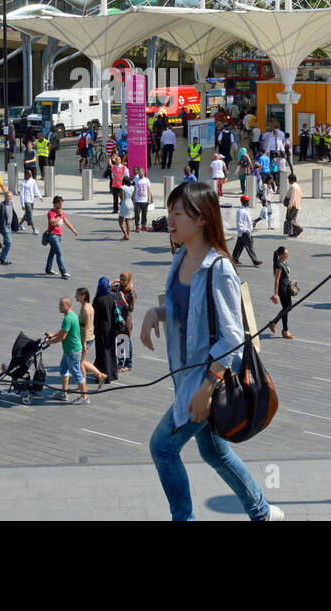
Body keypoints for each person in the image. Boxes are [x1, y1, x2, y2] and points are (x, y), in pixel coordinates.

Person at [138, 181, 283, 521]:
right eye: (169, 212)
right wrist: (155, 313)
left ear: (201, 218)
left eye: (177, 214)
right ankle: (261, 512)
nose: (169, 220)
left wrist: (206, 388)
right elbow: (185, 310)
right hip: (186, 373)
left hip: (205, 380)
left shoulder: (219, 269)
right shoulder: (180, 258)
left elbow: (232, 336)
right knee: (216, 453)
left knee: (162, 448)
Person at [45, 296, 89, 404]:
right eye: (59, 304)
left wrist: (50, 342)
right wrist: (53, 334)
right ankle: (63, 394)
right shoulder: (71, 315)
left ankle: (85, 397)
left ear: (68, 306)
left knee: (77, 373)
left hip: (73, 351)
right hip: (69, 350)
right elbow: (63, 331)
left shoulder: (68, 318)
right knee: (64, 369)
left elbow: (62, 337)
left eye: (61, 305)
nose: (59, 307)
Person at [75, 287, 108, 387]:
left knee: (80, 363)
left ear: (83, 296)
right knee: (81, 361)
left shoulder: (86, 308)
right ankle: (99, 375)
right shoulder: (86, 306)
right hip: (86, 338)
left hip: (86, 339)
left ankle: (83, 385)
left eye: (77, 294)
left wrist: (84, 342)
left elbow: (88, 327)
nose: (75, 296)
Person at [91, 278, 120, 384]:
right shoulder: (112, 297)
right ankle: (113, 374)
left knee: (102, 352)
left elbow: (93, 315)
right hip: (111, 328)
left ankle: (104, 375)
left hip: (100, 330)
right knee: (111, 350)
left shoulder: (98, 299)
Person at [44, 195, 77, 280]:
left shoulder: (61, 212)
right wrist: (59, 216)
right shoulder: (51, 213)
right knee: (59, 252)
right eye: (59, 204)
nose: (61, 205)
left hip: (59, 236)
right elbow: (53, 222)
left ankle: (48, 269)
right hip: (52, 236)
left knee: (52, 252)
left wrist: (73, 230)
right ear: (55, 204)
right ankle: (63, 272)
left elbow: (66, 222)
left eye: (62, 203)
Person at [268, 246, 294, 338]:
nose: (287, 255)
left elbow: (285, 274)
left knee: (287, 308)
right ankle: (283, 329)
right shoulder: (278, 265)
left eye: (287, 253)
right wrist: (276, 293)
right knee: (287, 308)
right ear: (280, 255)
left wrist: (289, 280)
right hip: (282, 289)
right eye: (285, 254)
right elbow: (277, 279)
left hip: (286, 287)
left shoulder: (283, 262)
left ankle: (279, 327)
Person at [231, 194, 263, 267]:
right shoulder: (240, 211)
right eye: (247, 201)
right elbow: (239, 222)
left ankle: (234, 259)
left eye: (248, 200)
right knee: (249, 246)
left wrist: (253, 224)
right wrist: (245, 231)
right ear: (243, 202)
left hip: (246, 231)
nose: (248, 202)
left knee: (239, 246)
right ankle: (255, 261)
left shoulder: (247, 210)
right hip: (244, 232)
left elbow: (248, 221)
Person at [19, 167, 42, 233]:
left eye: (31, 174)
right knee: (30, 215)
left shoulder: (33, 181)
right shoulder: (23, 183)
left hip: (32, 200)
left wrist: (40, 196)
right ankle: (34, 229)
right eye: (29, 174)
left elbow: (36, 189)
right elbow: (22, 194)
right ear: (26, 175)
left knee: (27, 214)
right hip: (26, 201)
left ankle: (20, 224)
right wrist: (22, 204)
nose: (30, 175)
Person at [0, 189, 15, 264]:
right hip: (4, 226)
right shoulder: (1, 205)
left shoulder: (11, 204)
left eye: (10, 196)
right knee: (8, 242)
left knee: (5, 242)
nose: (9, 198)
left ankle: (1, 257)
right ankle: (3, 258)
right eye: (7, 196)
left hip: (9, 226)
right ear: (4, 197)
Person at [133, 167, 151, 232]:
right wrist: (133, 199)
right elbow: (134, 190)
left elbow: (149, 190)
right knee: (137, 214)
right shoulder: (136, 180)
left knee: (144, 214)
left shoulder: (147, 180)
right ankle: (137, 226)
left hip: (144, 200)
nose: (140, 173)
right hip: (138, 200)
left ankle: (144, 225)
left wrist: (149, 199)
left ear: (144, 172)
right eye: (139, 172)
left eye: (141, 172)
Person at [118, 175, 135, 240]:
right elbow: (133, 197)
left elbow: (122, 197)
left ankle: (125, 235)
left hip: (125, 203)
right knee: (128, 221)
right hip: (130, 203)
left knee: (120, 221)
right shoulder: (132, 187)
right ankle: (128, 235)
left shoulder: (123, 187)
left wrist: (119, 196)